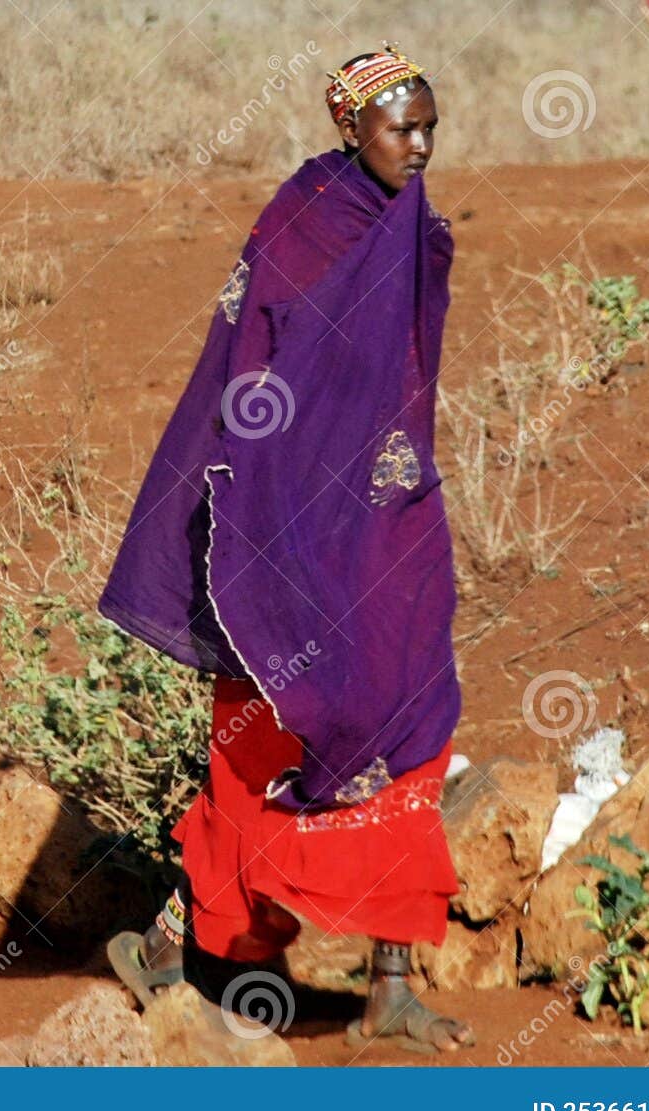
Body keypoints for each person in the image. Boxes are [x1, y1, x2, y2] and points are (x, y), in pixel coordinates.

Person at [99, 46, 474, 1056]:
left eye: (432, 125)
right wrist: (277, 521)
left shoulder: (410, 225)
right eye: (403, 127)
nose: (422, 144)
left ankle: (389, 983)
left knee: (411, 714)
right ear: (350, 127)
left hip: (385, 512)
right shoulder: (303, 227)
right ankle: (178, 942)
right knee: (272, 742)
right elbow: (250, 379)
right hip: (288, 523)